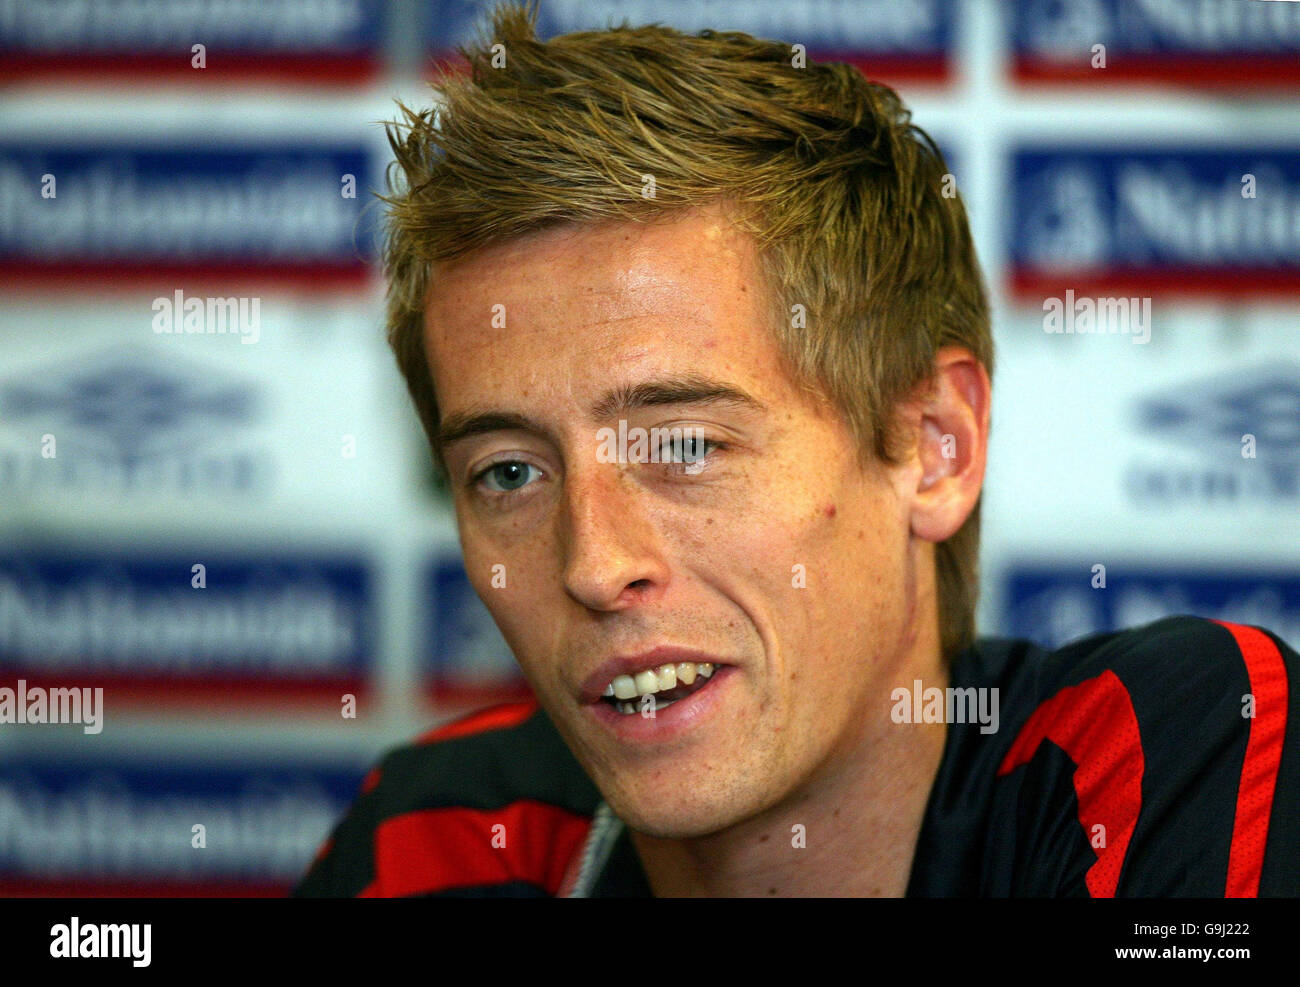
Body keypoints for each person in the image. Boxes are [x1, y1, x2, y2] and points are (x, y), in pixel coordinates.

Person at [294, 1, 1299, 897]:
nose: (594, 565)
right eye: (508, 472)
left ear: (932, 448)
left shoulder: (1152, 748)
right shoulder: (441, 840)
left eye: (684, 443)